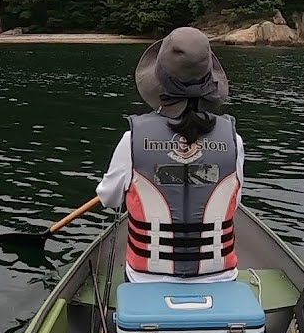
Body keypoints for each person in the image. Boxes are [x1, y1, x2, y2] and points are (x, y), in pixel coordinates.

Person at [96, 27, 245, 284]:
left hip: (145, 277)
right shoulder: (235, 141)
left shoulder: (131, 140)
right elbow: (236, 199)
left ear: (160, 80)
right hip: (220, 276)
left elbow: (108, 199)